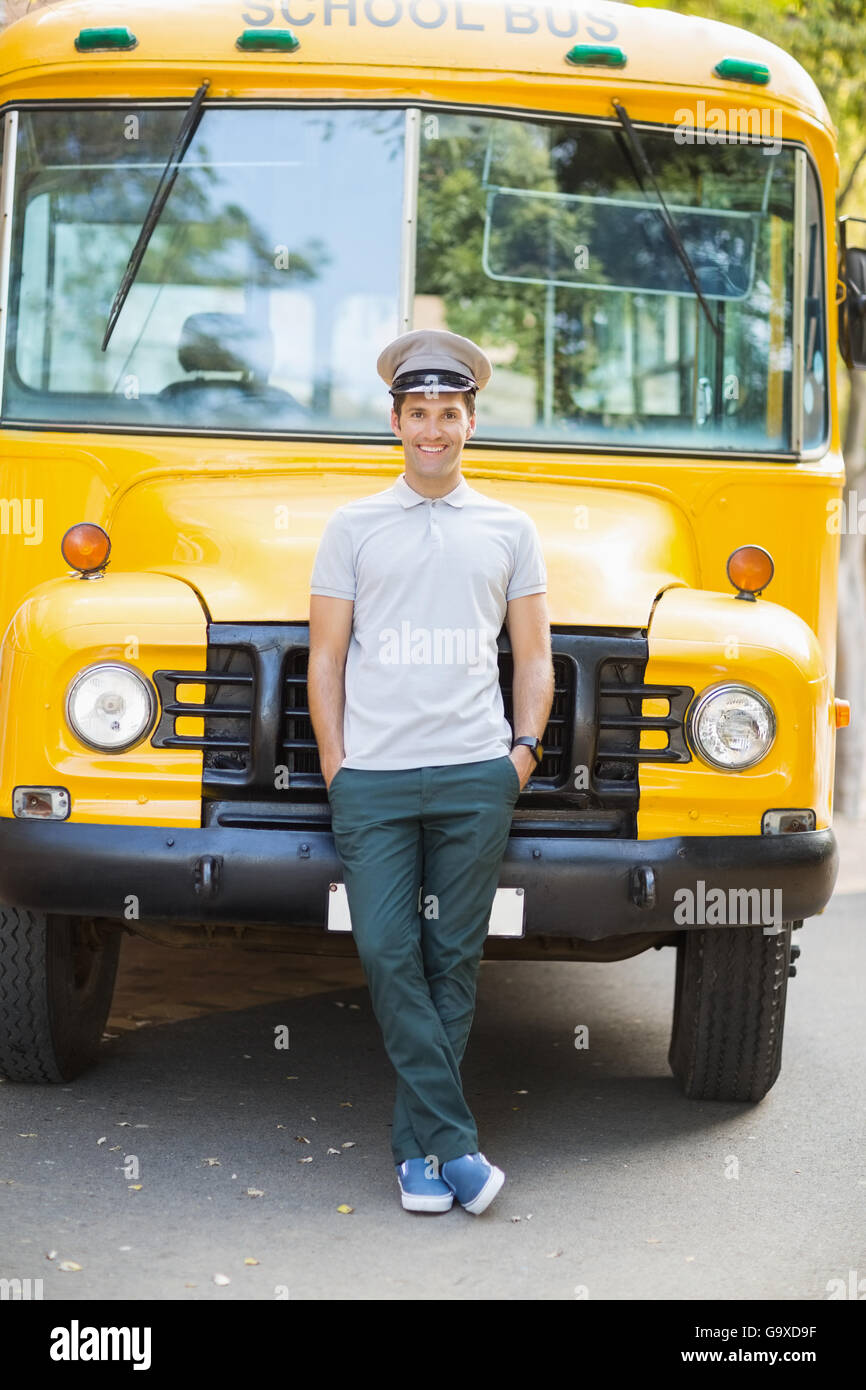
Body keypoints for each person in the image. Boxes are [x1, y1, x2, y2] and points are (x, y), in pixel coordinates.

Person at [308, 328, 554, 1215]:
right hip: (373, 781)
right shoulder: (353, 526)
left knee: (452, 959)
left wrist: (518, 756)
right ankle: (457, 1144)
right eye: (419, 413)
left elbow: (534, 657)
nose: (434, 430)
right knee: (384, 950)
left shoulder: (510, 529)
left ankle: (418, 1158)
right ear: (397, 421)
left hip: (473, 778)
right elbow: (324, 662)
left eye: (449, 413)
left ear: (470, 421)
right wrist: (338, 767)